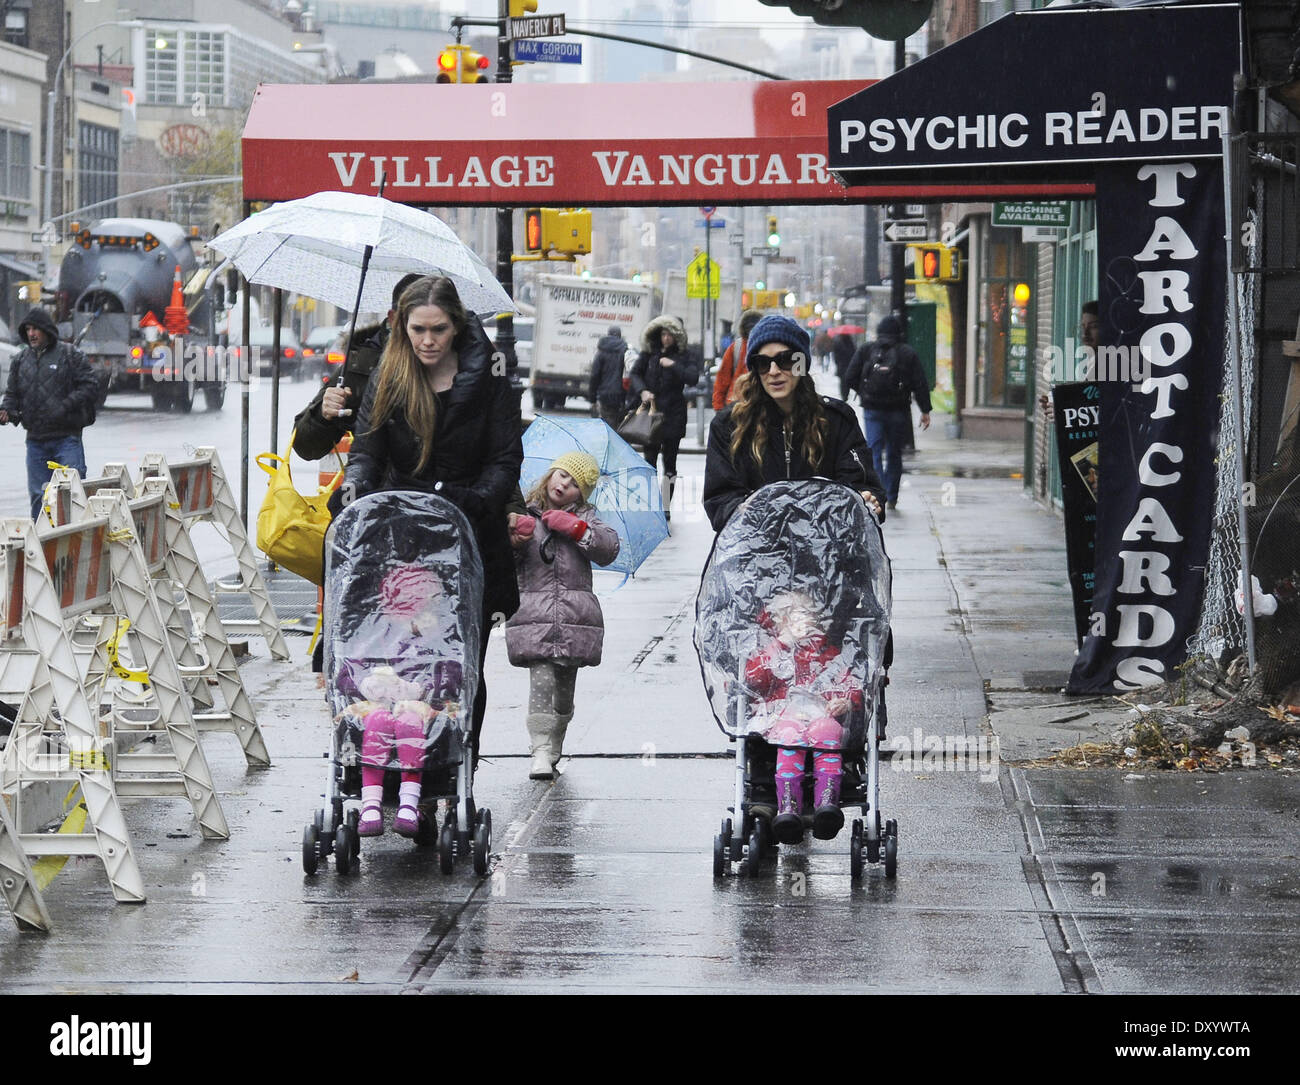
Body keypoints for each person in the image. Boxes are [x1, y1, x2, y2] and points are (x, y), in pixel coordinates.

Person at [341, 275, 524, 767]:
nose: (427, 341)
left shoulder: (490, 376)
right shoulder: (390, 374)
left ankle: (458, 763)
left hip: (471, 539)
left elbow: (506, 461)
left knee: (462, 665)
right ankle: (405, 764)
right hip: (402, 544)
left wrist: (467, 499)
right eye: (417, 330)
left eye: (438, 330)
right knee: (401, 660)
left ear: (456, 326)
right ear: (402, 327)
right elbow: (367, 449)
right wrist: (354, 492)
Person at [702, 314, 885, 533]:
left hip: (826, 555)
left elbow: (862, 483)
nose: (773, 371)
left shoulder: (837, 419)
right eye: (763, 363)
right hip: (755, 557)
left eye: (786, 360)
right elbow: (719, 498)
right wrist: (747, 511)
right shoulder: (729, 425)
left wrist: (866, 500)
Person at [506, 451, 620, 780]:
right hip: (534, 615)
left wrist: (577, 529)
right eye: (562, 475)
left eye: (574, 484)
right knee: (541, 679)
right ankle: (539, 749)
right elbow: (505, 564)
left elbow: (608, 548)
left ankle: (555, 740)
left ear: (581, 495)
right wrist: (514, 540)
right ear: (550, 475)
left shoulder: (588, 517)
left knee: (565, 689)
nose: (565, 484)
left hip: (574, 619)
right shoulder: (524, 512)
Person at [745, 590, 864, 843]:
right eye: (796, 617)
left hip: (822, 714)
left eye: (809, 616)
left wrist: (845, 699)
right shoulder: (772, 653)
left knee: (827, 733)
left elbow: (846, 679)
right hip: (784, 717)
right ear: (781, 623)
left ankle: (826, 806)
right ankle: (789, 808)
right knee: (788, 736)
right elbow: (753, 679)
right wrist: (781, 644)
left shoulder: (825, 652)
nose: (804, 622)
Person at [293, 272, 423, 462]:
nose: (426, 338)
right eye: (416, 324)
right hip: (377, 487)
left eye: (437, 327)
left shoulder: (462, 367)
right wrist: (322, 415)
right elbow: (306, 447)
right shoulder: (363, 366)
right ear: (393, 318)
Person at [0, 307, 101, 519]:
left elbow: (90, 386)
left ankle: (76, 536)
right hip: (36, 442)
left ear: (47, 330)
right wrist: (6, 410)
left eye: (36, 328)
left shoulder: (70, 355)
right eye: (28, 329)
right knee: (39, 495)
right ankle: (42, 541)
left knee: (72, 492)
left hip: (67, 439)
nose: (31, 334)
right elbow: (12, 394)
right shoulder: (20, 360)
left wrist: (65, 406)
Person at [845, 314, 932, 511]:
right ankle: (892, 495)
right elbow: (920, 383)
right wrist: (925, 410)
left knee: (874, 451)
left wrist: (864, 392)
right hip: (898, 409)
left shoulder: (867, 349)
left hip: (872, 409)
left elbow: (849, 375)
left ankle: (879, 493)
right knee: (894, 453)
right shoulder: (907, 352)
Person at [630, 315, 700, 521]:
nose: (666, 338)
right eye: (663, 334)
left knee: (670, 463)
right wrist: (642, 391)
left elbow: (693, 377)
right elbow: (635, 373)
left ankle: (666, 505)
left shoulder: (684, 355)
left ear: (677, 336)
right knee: (649, 462)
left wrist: (672, 365)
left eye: (670, 334)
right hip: (652, 415)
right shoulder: (649, 353)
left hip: (673, 416)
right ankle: (650, 503)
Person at [712, 308, 762, 410]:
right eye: (749, 328)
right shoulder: (736, 348)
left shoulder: (767, 347)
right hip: (736, 404)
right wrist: (719, 408)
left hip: (758, 404)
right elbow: (722, 380)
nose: (752, 331)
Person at [587, 325, 630, 428]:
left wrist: (592, 399)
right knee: (617, 421)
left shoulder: (601, 352)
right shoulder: (625, 351)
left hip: (605, 394)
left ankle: (609, 439)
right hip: (621, 394)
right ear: (620, 336)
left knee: (607, 422)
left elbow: (594, 376)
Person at [831, 331, 856, 402]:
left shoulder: (838, 343)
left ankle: (843, 395)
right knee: (847, 380)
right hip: (849, 365)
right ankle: (846, 395)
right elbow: (854, 353)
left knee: (842, 381)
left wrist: (837, 362)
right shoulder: (851, 343)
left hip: (841, 365)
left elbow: (835, 355)